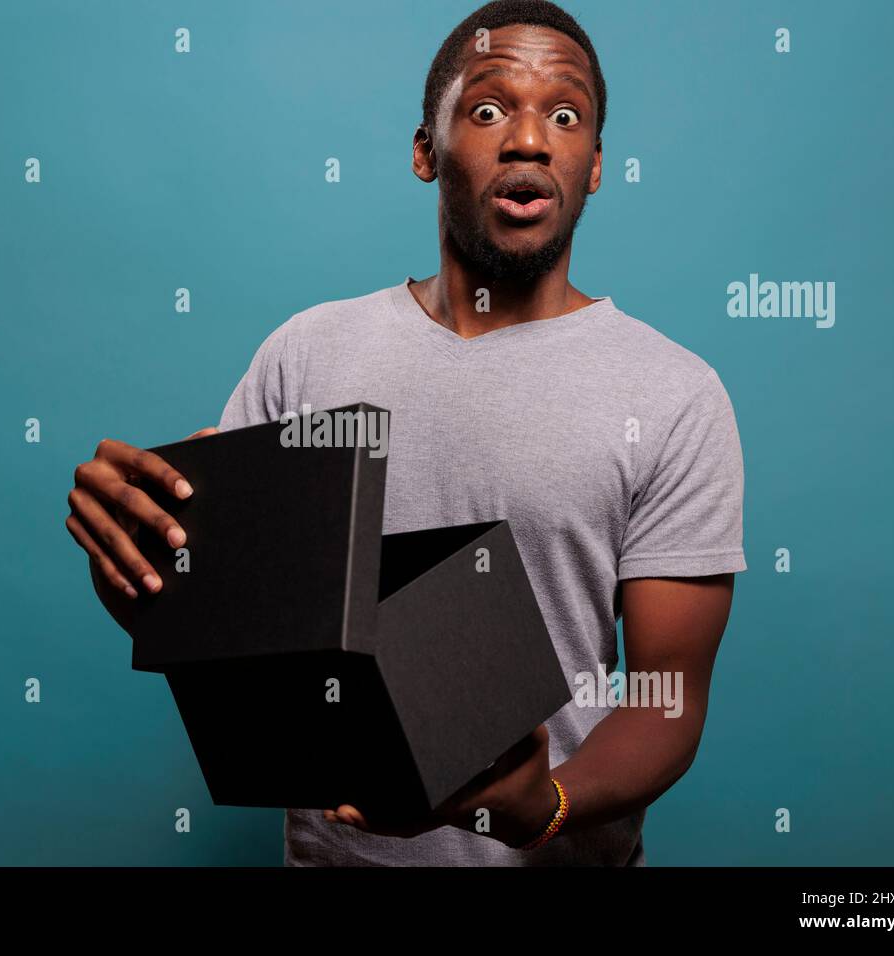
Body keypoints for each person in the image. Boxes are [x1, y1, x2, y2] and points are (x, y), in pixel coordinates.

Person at [66, 0, 746, 866]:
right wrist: (130, 555)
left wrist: (546, 803)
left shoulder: (676, 394)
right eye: (489, 108)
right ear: (426, 150)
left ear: (597, 165)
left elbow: (668, 697)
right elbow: (223, 631)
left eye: (565, 115)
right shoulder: (306, 355)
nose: (530, 139)